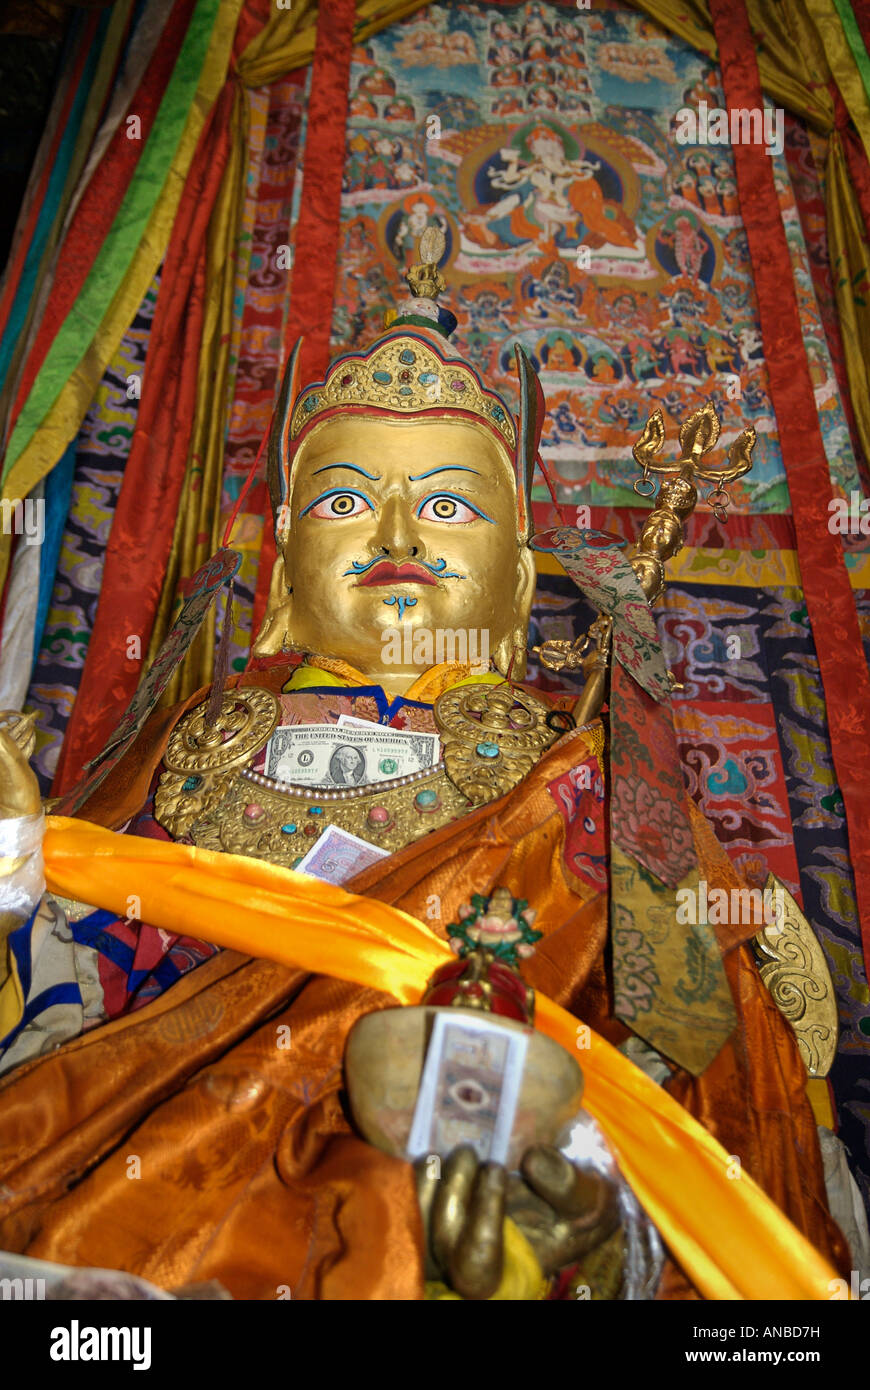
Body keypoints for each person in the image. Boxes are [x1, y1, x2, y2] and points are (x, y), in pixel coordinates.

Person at [0, 239, 851, 1301]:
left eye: (448, 507)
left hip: (483, 1189)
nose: (398, 533)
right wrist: (23, 868)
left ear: (517, 587)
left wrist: (586, 1192)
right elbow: (88, 1008)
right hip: (200, 1160)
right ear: (279, 578)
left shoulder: (572, 779)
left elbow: (678, 1062)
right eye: (347, 503)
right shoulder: (201, 749)